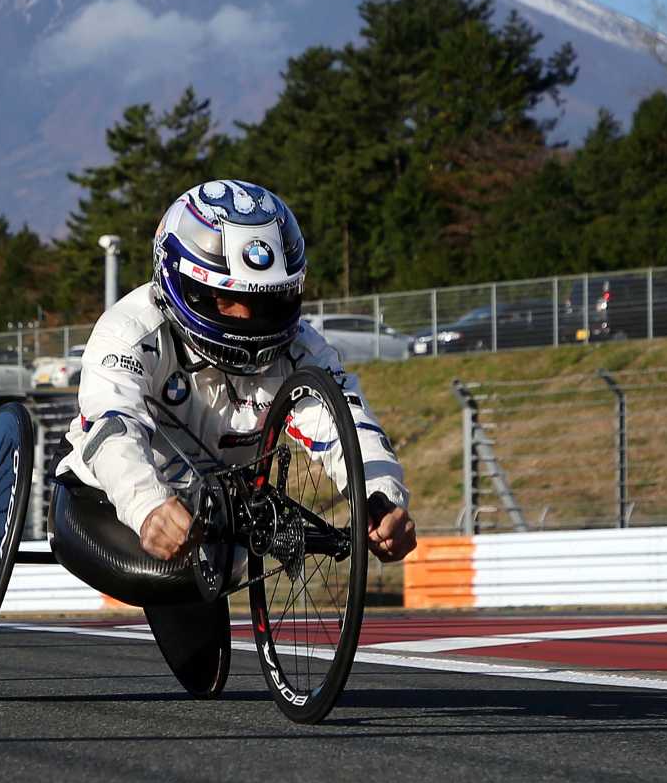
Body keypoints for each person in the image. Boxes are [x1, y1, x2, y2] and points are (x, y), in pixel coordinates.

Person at [56, 180, 416, 564]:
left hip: (211, 520)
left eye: (265, 301)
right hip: (104, 500)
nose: (248, 320)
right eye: (227, 300)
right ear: (181, 284)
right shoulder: (127, 332)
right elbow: (113, 428)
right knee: (164, 578)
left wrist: (381, 498)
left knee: (199, 606)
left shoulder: (304, 351)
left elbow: (347, 428)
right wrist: (147, 505)